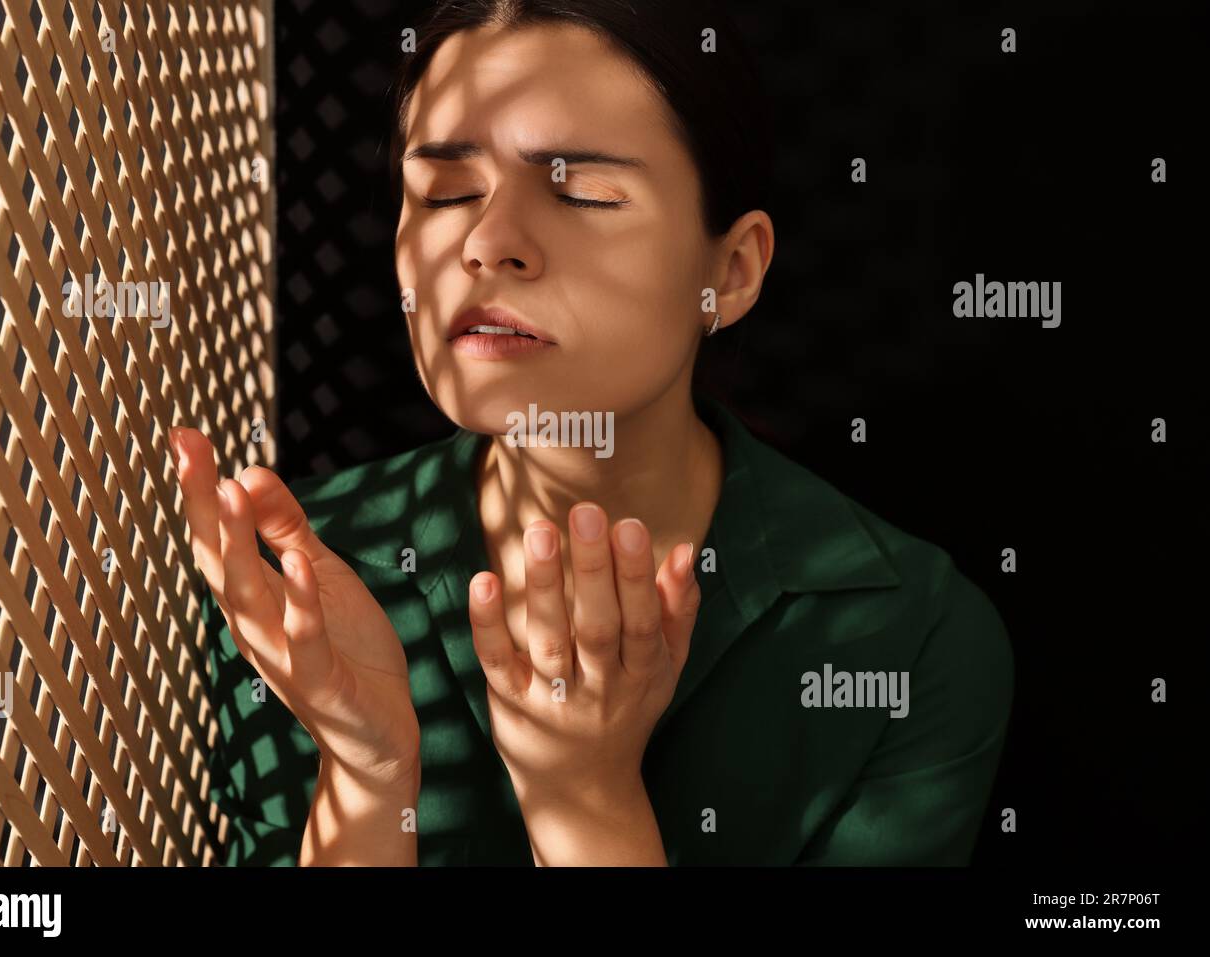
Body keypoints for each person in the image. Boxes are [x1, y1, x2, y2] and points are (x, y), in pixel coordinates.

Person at [172, 0, 1013, 866]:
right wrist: (368, 776)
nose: (487, 242)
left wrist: (589, 800)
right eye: (446, 193)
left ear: (731, 270)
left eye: (580, 191)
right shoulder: (301, 579)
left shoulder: (909, 632)